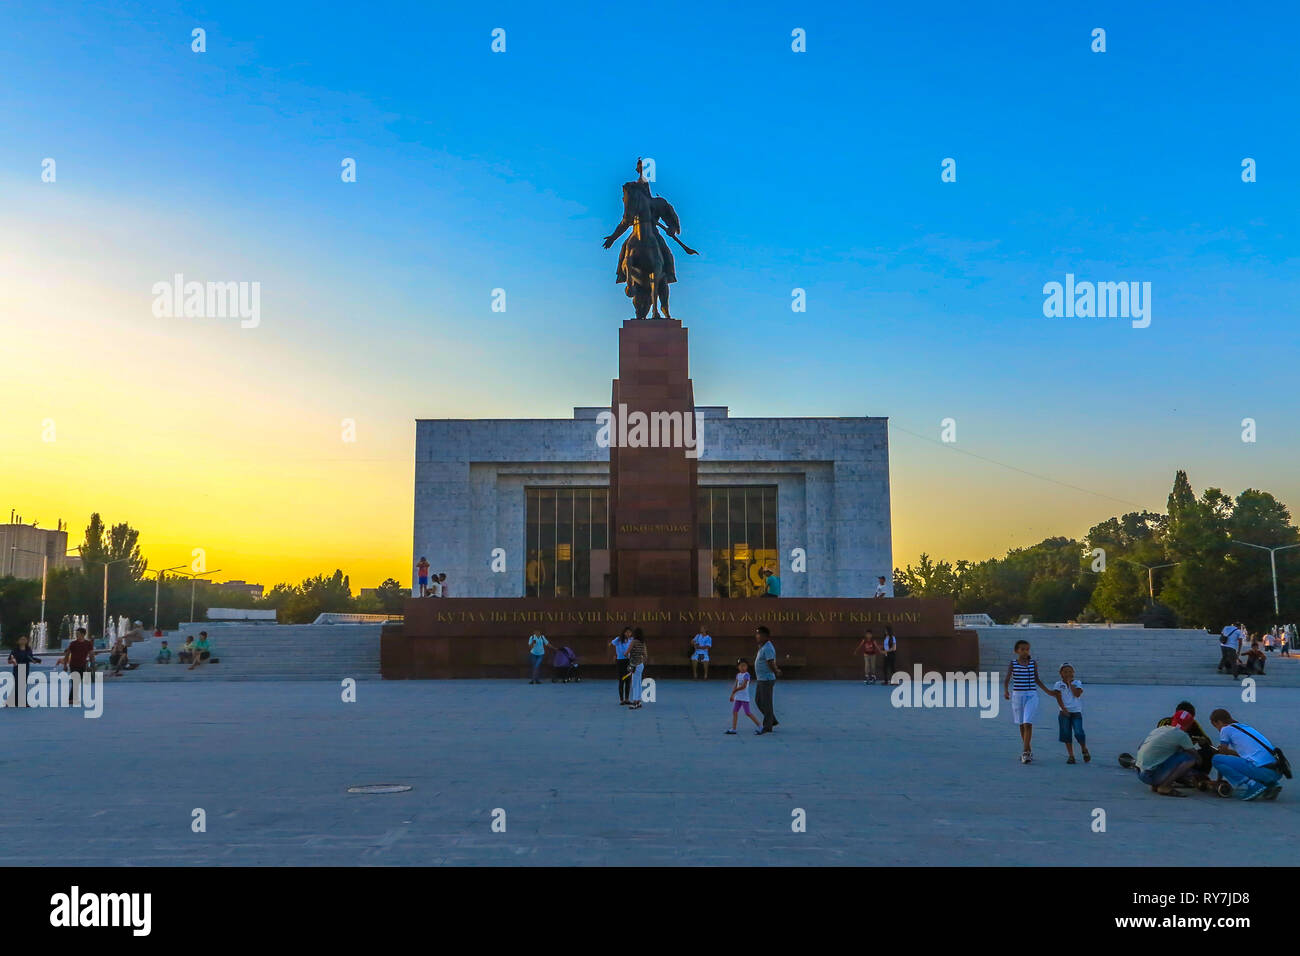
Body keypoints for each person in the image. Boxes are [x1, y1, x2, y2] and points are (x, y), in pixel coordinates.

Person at [1209, 709, 1286, 801]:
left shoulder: (1225, 729)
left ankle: (1252, 784)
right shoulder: (1245, 727)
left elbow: (1222, 754)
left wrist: (1219, 780)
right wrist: (1228, 752)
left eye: (1215, 726)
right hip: (1276, 772)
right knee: (1249, 763)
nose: (1218, 729)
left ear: (1218, 722)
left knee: (1216, 759)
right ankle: (1271, 784)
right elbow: (1244, 756)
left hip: (1263, 771)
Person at [1002, 640, 1054, 764]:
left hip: (1031, 695)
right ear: (1016, 651)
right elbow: (1007, 679)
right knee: (1021, 724)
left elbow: (1037, 679)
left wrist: (1048, 691)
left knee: (1028, 723)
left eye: (1027, 649)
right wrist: (1006, 691)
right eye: (1022, 649)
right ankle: (1028, 749)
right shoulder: (1013, 663)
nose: (1025, 651)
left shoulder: (1033, 663)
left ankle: (1025, 752)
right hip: (1017, 696)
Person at [1134, 711, 1202, 796]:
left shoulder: (1160, 729)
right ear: (1189, 725)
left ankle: (1155, 785)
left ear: (1173, 720)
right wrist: (1200, 763)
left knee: (1171, 753)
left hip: (1139, 772)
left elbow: (1140, 747)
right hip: (1150, 776)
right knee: (1190, 758)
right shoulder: (1182, 735)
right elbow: (1194, 754)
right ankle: (1165, 786)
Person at [1050, 663, 1089, 764]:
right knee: (1066, 734)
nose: (1068, 673)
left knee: (1079, 732)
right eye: (1065, 671)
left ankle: (1084, 748)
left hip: (1076, 711)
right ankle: (1071, 755)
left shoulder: (1077, 682)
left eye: (1070, 671)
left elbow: (1077, 694)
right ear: (1061, 673)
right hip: (1064, 712)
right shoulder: (1058, 684)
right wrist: (1063, 709)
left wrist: (1070, 684)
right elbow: (1058, 697)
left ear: (1073, 673)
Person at [753, 626, 781, 734]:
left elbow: (770, 662)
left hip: (766, 679)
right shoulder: (763, 646)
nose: (757, 636)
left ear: (765, 636)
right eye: (756, 634)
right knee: (759, 701)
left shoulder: (768, 647)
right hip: (761, 679)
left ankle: (767, 726)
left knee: (766, 703)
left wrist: (776, 671)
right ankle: (772, 719)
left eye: (759, 634)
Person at [59, 627, 96, 705]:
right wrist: (65, 665)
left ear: (83, 634)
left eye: (78, 634)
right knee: (75, 681)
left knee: (78, 682)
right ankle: (71, 699)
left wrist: (93, 664)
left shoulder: (88, 643)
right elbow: (67, 654)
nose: (76, 635)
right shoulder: (73, 644)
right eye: (76, 634)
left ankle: (72, 698)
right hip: (73, 665)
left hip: (83, 665)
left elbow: (91, 654)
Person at [726, 658, 762, 734]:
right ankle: (734, 728)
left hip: (744, 698)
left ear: (747, 667)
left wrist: (735, 691)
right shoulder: (738, 675)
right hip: (738, 697)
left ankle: (760, 726)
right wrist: (732, 695)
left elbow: (743, 686)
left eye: (744, 666)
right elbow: (735, 685)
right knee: (735, 711)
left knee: (748, 713)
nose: (743, 667)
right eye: (741, 666)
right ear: (738, 667)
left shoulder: (747, 675)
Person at [7, 635, 41, 707]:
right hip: (17, 668)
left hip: (25, 668)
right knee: (17, 685)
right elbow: (9, 660)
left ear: (27, 641)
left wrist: (36, 660)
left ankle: (22, 702)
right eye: (21, 639)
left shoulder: (28, 650)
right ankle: (11, 702)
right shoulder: (15, 650)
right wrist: (12, 661)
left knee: (23, 685)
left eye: (24, 639)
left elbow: (30, 658)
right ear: (18, 641)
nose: (23, 640)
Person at [626, 628, 648, 710]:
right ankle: (639, 701)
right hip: (641, 664)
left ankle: (635, 702)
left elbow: (627, 652)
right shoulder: (643, 643)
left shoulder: (633, 642)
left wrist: (627, 656)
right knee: (638, 683)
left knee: (635, 684)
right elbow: (646, 655)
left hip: (634, 664)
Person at [611, 627, 633, 704]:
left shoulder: (631, 640)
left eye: (630, 632)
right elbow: (612, 643)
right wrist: (620, 638)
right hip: (620, 661)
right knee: (621, 680)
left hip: (629, 661)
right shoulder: (619, 640)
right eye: (627, 632)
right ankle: (621, 699)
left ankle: (627, 699)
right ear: (624, 633)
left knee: (628, 679)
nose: (628, 634)